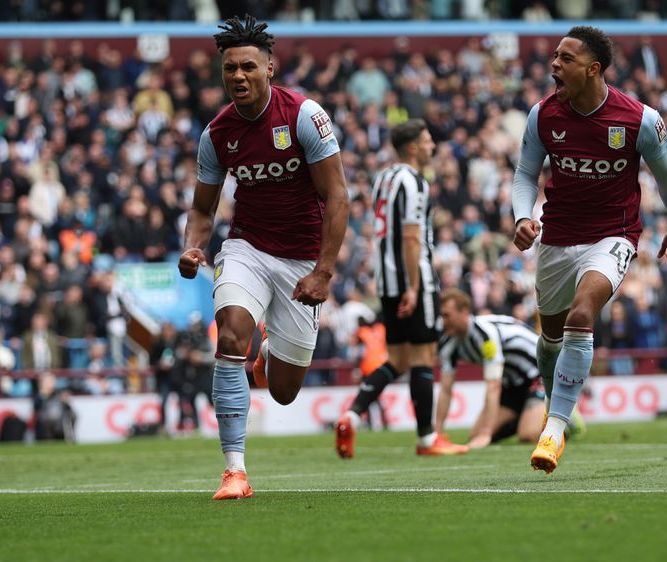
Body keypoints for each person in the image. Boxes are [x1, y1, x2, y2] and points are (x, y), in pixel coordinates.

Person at [178, 15, 349, 500]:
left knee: (284, 391)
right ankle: (235, 471)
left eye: (248, 66)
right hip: (247, 247)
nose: (238, 76)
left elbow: (337, 197)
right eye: (229, 68)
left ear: (269, 67)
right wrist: (194, 245)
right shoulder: (217, 134)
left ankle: (271, 353)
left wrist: (323, 272)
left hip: (301, 262)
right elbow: (201, 207)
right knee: (231, 333)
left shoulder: (303, 116)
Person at [512, 26, 667, 474]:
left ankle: (553, 429)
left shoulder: (639, 119)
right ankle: (560, 407)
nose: (554, 64)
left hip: (614, 234)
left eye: (565, 58)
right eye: (554, 56)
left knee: (580, 316)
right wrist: (521, 216)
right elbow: (524, 175)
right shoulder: (542, 116)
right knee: (550, 337)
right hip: (556, 237)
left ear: (593, 69)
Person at [334, 119, 468, 459]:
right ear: (412, 147)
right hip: (413, 280)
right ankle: (427, 439)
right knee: (423, 357)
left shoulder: (383, 178)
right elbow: (411, 236)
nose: (432, 147)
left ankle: (353, 413)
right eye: (426, 141)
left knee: (397, 359)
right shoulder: (414, 181)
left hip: (385, 281)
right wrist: (414, 285)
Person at [434, 288, 548, 448]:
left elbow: (493, 385)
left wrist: (486, 433)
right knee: (475, 435)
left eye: (447, 315)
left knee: (528, 435)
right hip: (512, 381)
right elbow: (445, 390)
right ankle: (528, 415)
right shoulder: (448, 344)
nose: (443, 321)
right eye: (441, 316)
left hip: (540, 373)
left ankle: (565, 419)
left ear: (464, 312)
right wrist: (437, 435)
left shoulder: (485, 335)